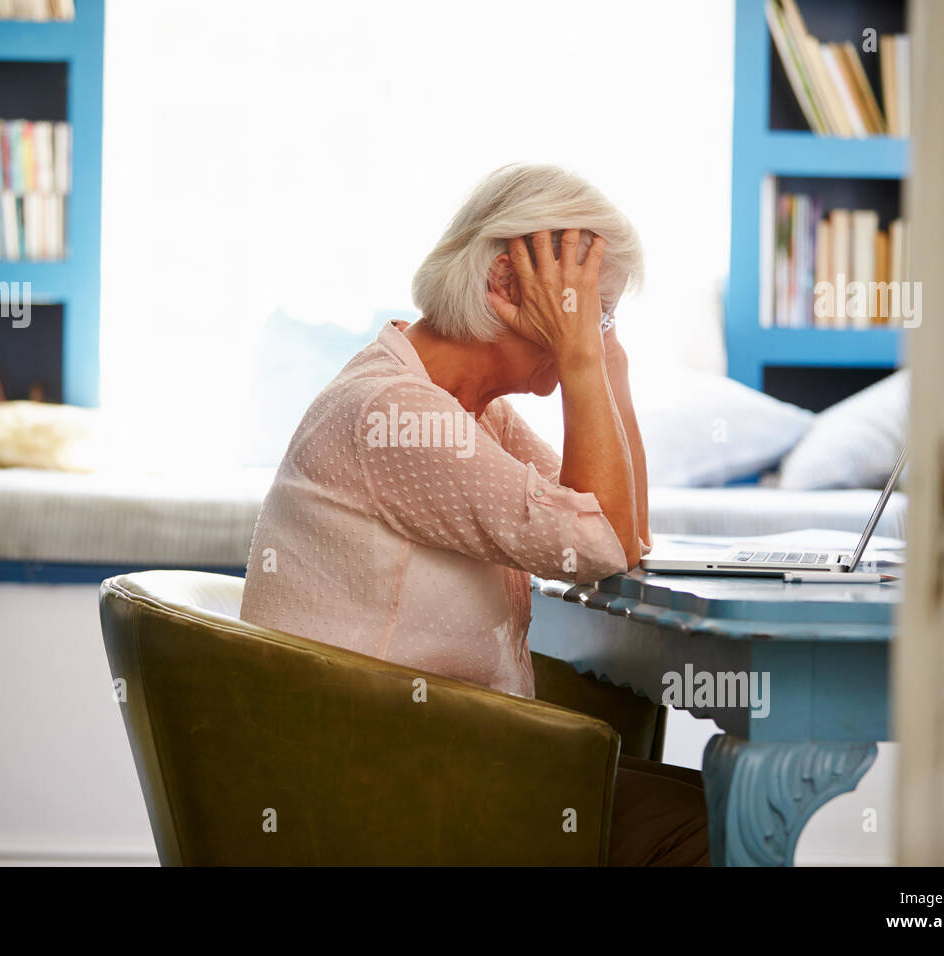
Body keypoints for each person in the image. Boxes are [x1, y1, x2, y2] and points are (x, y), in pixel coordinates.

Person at [242, 164, 708, 865]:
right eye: (586, 303)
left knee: (701, 802)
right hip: (370, 793)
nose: (593, 328)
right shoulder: (392, 412)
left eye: (601, 311)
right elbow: (599, 542)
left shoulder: (470, 412)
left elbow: (623, 530)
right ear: (504, 283)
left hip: (431, 759)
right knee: (709, 821)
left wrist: (609, 361)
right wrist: (582, 356)